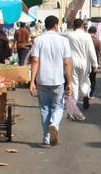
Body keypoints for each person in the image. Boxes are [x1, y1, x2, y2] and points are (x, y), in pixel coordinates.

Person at [28, 14, 73, 146]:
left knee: (44, 108)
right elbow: (66, 63)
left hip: (42, 79)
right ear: (55, 26)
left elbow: (35, 60)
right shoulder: (63, 41)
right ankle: (54, 123)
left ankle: (46, 137)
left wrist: (32, 81)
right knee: (58, 106)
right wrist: (69, 81)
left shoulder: (38, 40)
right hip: (58, 80)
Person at [66, 17, 98, 117]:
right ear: (83, 26)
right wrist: (95, 64)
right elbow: (91, 51)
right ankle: (85, 94)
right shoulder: (87, 36)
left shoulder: (70, 35)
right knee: (85, 80)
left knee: (74, 83)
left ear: (73, 26)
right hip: (85, 63)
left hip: (73, 62)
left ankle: (74, 104)